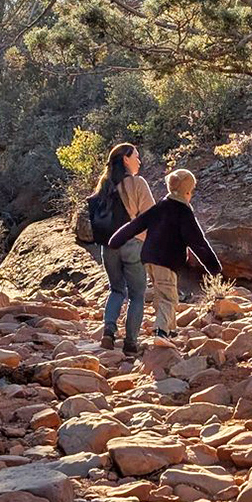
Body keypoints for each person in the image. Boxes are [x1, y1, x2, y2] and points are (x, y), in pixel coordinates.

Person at [109, 168, 221, 348]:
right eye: (191, 192)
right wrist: (213, 267)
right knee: (169, 297)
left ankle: (170, 328)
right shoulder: (183, 212)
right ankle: (161, 332)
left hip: (149, 258)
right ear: (186, 192)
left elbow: (135, 225)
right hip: (166, 260)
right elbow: (198, 242)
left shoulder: (160, 206)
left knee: (162, 293)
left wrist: (115, 240)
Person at [89, 143, 155, 356]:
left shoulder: (103, 186)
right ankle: (130, 343)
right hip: (132, 244)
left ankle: (108, 330)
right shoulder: (137, 183)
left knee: (116, 290)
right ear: (126, 159)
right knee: (137, 295)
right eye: (136, 155)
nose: (139, 160)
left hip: (108, 247)